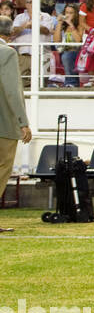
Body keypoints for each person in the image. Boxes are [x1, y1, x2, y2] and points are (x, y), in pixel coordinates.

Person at [0, 17, 31, 233]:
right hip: (4, 125)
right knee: (2, 169)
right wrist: (23, 122)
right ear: (10, 34)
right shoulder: (8, 53)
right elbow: (12, 90)